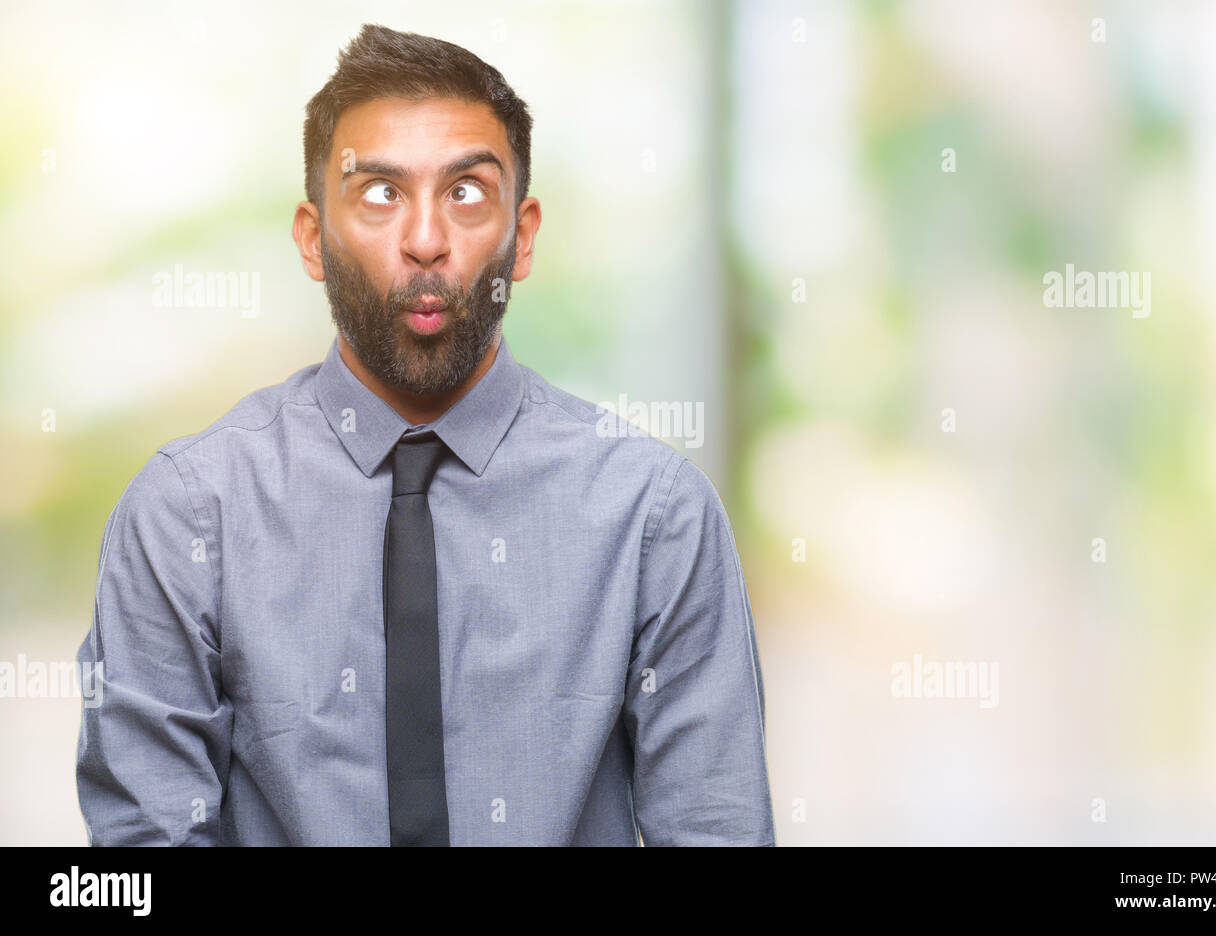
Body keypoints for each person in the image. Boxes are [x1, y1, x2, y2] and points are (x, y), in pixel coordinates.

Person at [75, 23, 774, 846]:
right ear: (311, 237)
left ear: (524, 235)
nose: (426, 240)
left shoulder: (655, 516)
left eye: (467, 191)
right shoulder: (188, 514)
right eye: (379, 192)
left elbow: (714, 829)